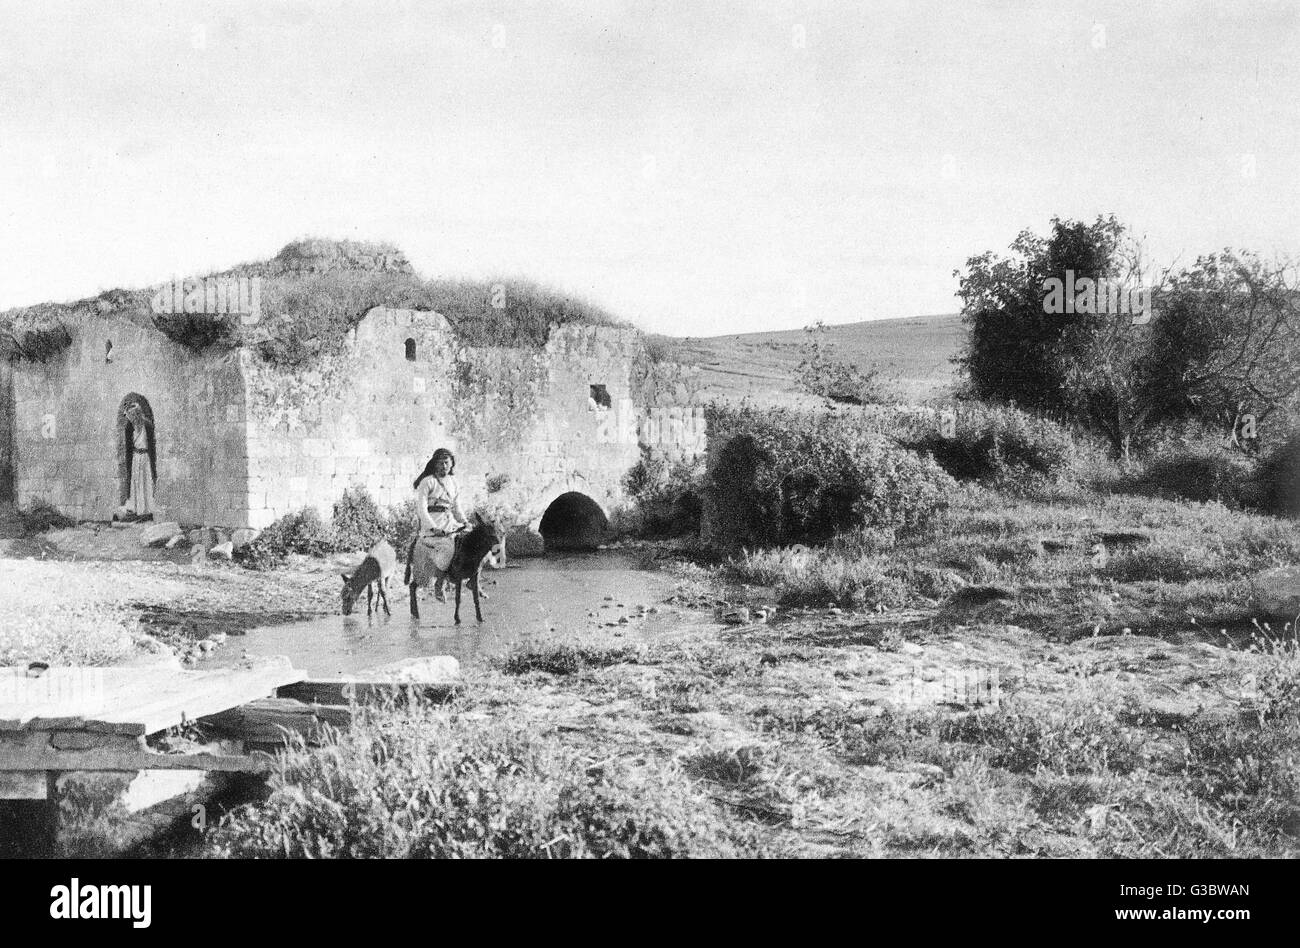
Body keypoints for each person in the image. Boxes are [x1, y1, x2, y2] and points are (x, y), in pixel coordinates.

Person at [409, 448, 467, 602]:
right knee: (447, 547)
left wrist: (465, 522)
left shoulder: (454, 482)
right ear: (434, 464)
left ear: (452, 464)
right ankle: (439, 583)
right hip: (433, 527)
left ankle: (468, 579)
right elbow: (422, 509)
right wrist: (433, 527)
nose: (443, 466)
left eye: (446, 462)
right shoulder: (427, 482)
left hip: (450, 524)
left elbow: (456, 507)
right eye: (440, 463)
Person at [122, 402, 156, 521]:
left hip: (145, 456)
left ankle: (146, 510)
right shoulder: (130, 427)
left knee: (145, 482)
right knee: (136, 483)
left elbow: (152, 444)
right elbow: (128, 447)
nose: (131, 419)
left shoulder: (147, 425)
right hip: (136, 457)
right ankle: (137, 509)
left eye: (132, 416)